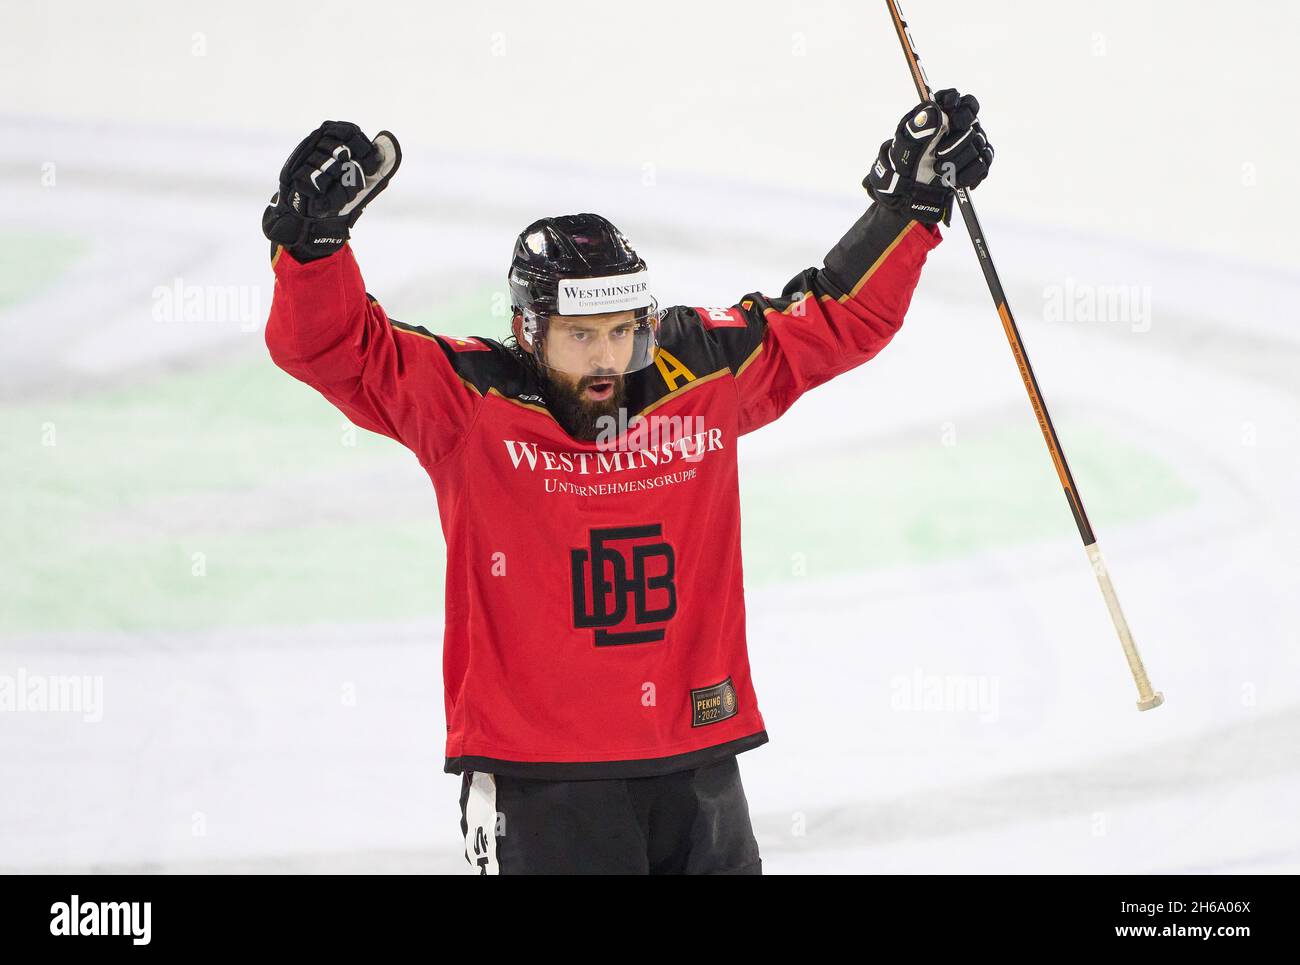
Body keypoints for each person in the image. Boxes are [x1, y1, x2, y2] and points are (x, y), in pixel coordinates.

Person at [261, 91, 993, 874]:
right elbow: (334, 349)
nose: (606, 360)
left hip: (699, 762)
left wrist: (910, 206)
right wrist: (313, 250)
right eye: (580, 337)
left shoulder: (700, 374)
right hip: (541, 784)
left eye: (622, 332)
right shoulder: (469, 402)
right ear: (527, 329)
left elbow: (838, 317)